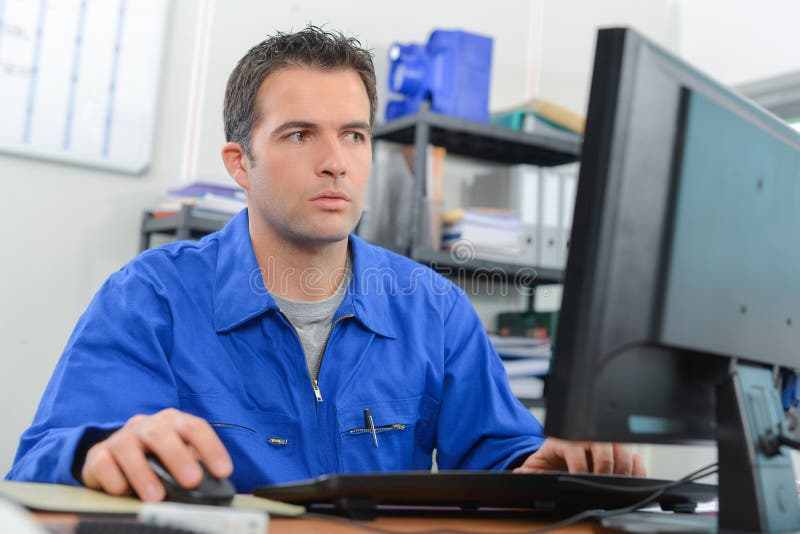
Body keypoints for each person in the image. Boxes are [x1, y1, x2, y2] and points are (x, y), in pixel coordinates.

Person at [6, 26, 644, 500]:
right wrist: (95, 453)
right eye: (299, 134)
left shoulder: (433, 307)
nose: (336, 160)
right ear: (239, 164)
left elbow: (503, 453)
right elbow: (40, 462)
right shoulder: (151, 297)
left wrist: (541, 468)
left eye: (355, 134)